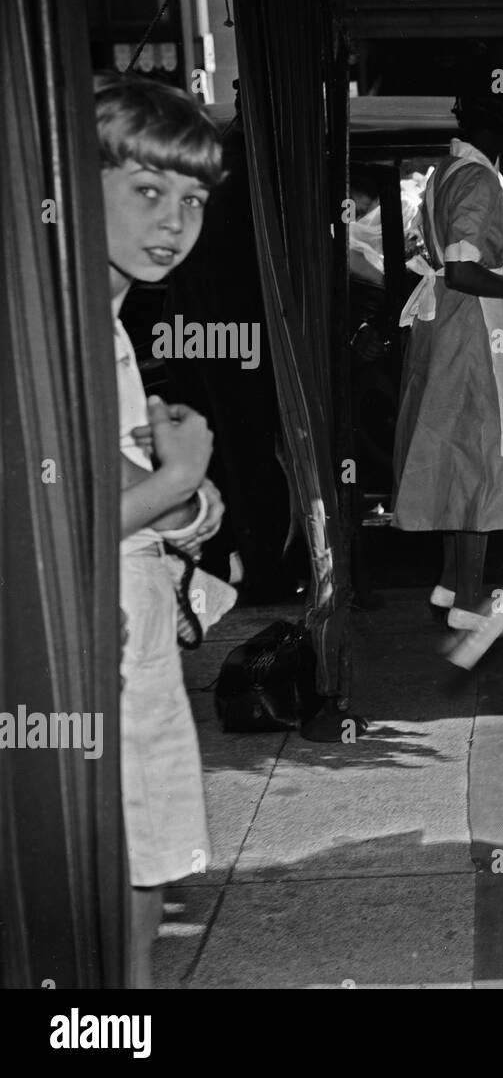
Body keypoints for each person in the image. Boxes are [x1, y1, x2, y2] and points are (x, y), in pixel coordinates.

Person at [99, 73, 227, 987]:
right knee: (117, 853)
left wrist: (184, 498)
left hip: (131, 622)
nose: (173, 220)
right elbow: (71, 514)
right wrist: (181, 477)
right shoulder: (63, 329)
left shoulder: (106, 322)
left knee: (141, 848)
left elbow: (126, 495)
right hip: (99, 635)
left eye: (190, 200)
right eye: (147, 190)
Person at [391, 71, 503, 629]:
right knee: (484, 460)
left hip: (446, 327)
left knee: (456, 455)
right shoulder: (481, 180)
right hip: (472, 333)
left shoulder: (449, 171)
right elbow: (465, 269)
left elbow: (452, 262)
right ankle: (468, 601)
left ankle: (447, 586)